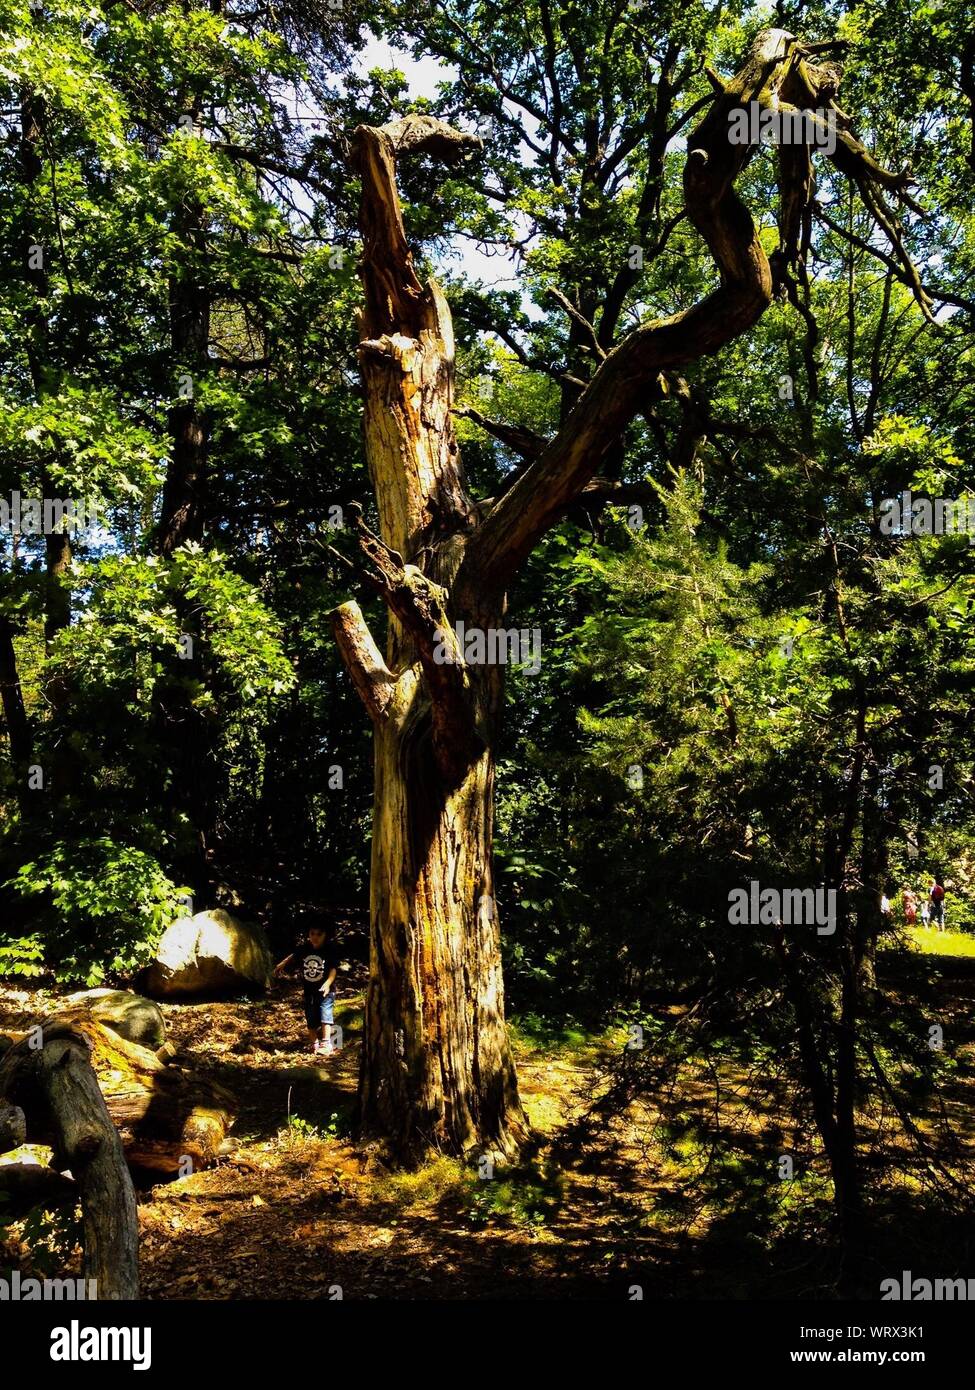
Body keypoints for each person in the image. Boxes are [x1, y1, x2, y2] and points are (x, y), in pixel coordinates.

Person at [274, 921, 340, 1055]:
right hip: (310, 991)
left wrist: (327, 983)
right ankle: (314, 1043)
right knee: (310, 1016)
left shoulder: (329, 950)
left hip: (326, 991)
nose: (315, 937)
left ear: (325, 935)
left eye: (319, 934)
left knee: (325, 1014)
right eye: (312, 934)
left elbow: (333, 970)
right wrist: (283, 963)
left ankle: (326, 1043)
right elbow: (295, 954)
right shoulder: (305, 948)